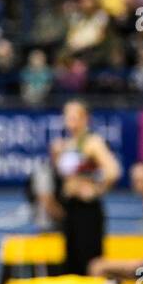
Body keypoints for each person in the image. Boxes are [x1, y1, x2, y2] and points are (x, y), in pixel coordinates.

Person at [45, 99, 121, 274]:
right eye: (67, 117)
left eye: (73, 117)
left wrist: (96, 190)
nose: (69, 121)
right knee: (71, 263)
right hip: (69, 210)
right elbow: (62, 177)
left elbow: (113, 171)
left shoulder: (93, 142)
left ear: (85, 118)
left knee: (88, 262)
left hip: (87, 211)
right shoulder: (66, 144)